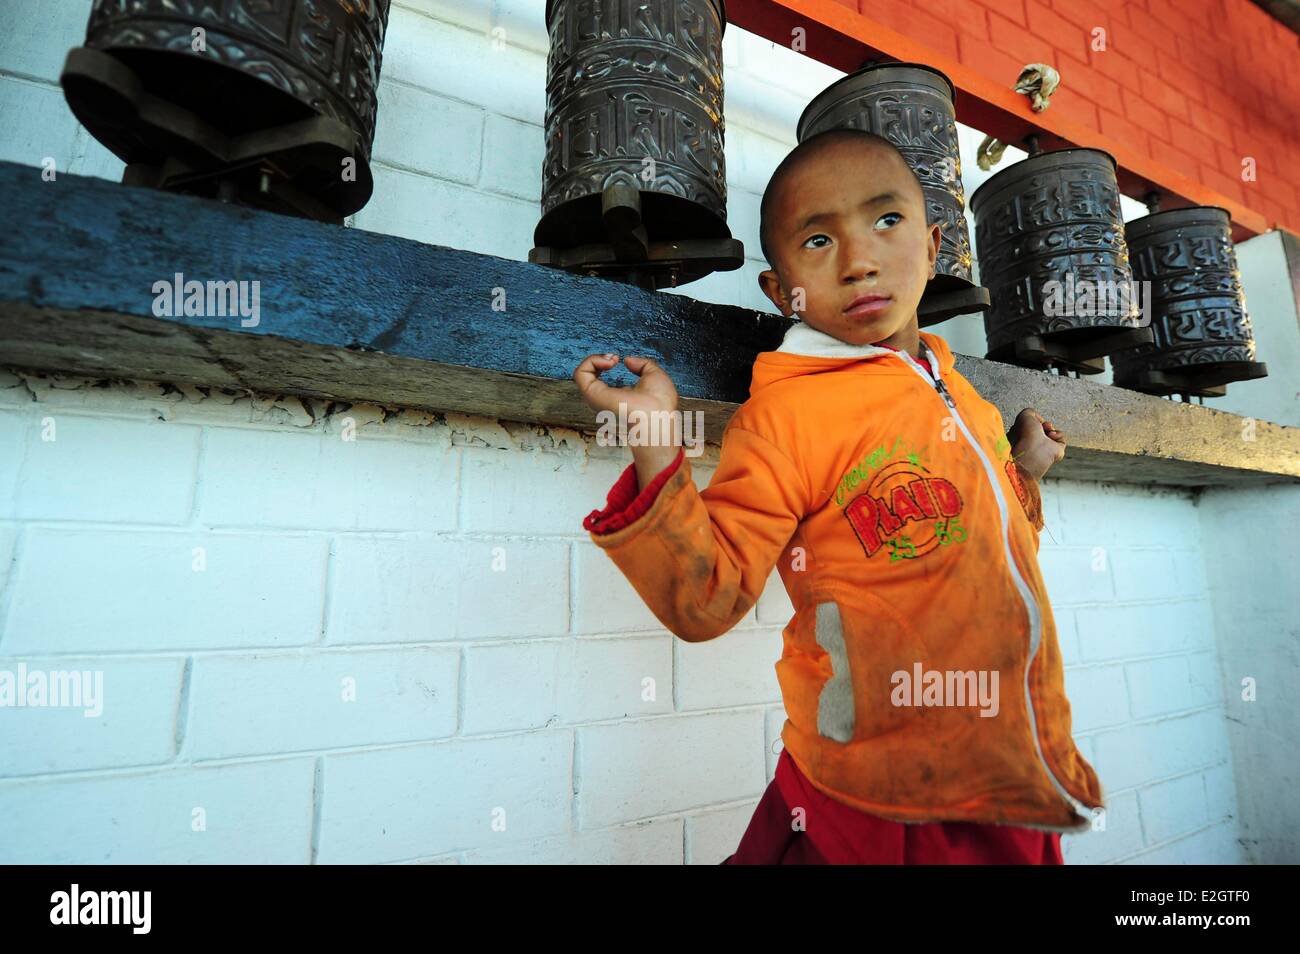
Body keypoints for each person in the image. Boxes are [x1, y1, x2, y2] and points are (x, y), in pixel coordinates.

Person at [572, 129, 1104, 864]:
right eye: (818, 242)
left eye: (887, 221)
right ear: (777, 287)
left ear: (934, 243)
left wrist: (1026, 473)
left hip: (1011, 769)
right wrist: (657, 437)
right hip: (870, 797)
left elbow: (982, 551)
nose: (859, 263)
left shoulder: (966, 400)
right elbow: (706, 598)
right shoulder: (787, 416)